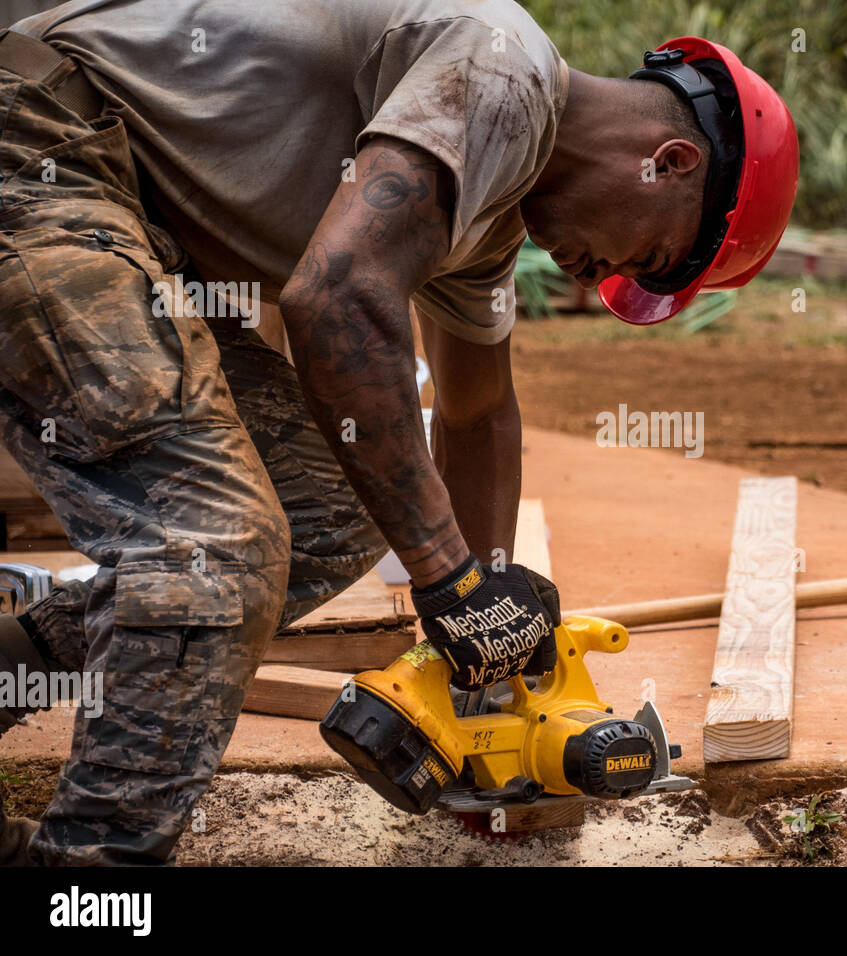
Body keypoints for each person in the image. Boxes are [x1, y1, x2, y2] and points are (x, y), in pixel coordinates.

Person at [0, 0, 797, 865]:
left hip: (128, 227)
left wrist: (486, 648)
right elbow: (339, 295)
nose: (604, 277)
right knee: (221, 543)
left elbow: (477, 410)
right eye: (644, 258)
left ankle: (13, 659)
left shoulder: (487, 223)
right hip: (37, 146)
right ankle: (84, 884)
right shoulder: (504, 69)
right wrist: (450, 582)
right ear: (669, 163)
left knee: (334, 509)